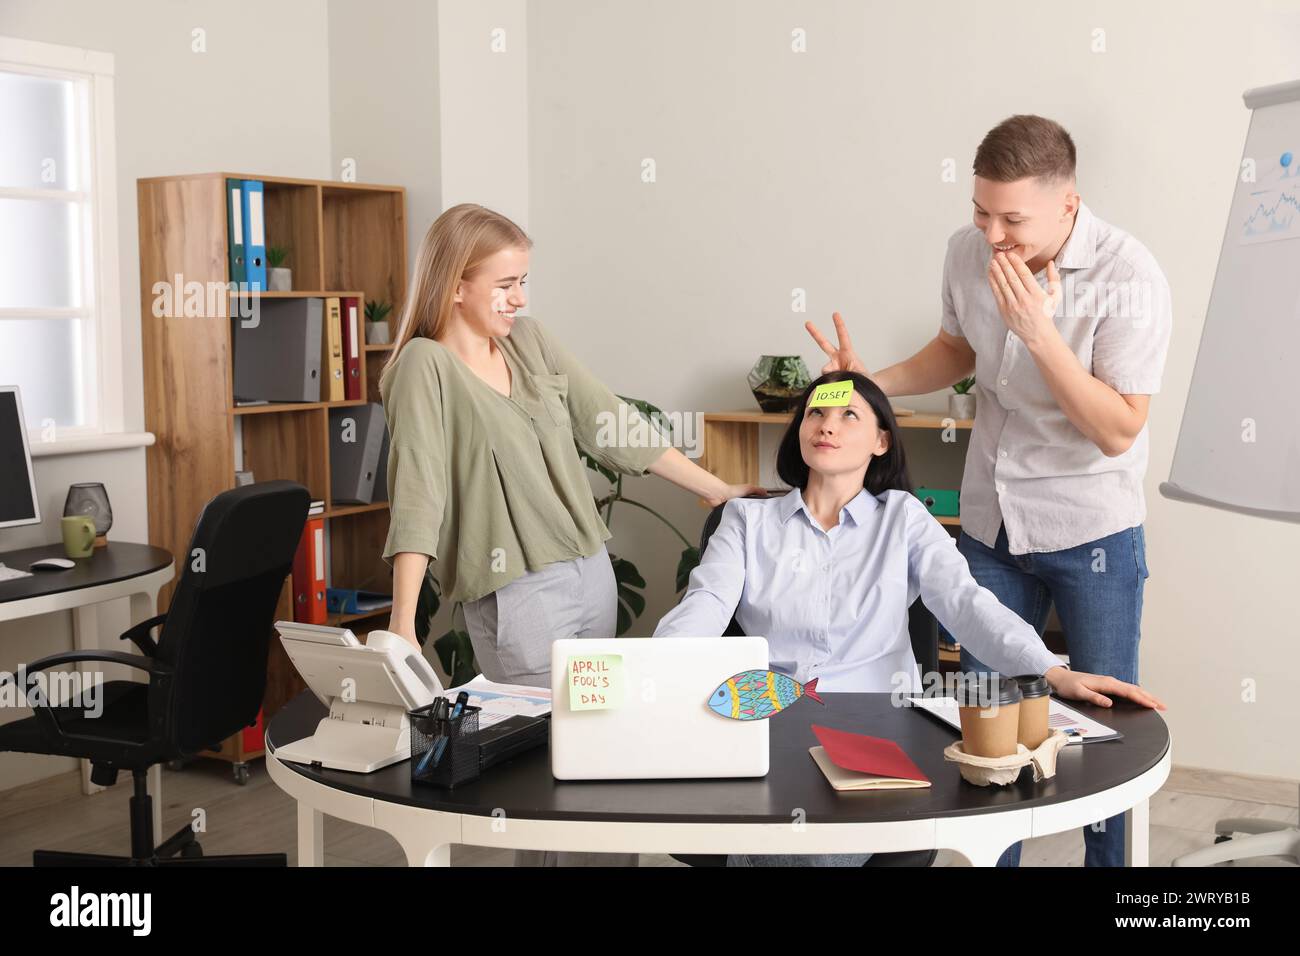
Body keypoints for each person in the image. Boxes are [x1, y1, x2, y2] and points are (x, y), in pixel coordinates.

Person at [807, 115, 1172, 867]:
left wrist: (1040, 333)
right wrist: (870, 383)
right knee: (982, 732)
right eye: (981, 211)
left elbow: (1118, 429)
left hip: (1090, 531)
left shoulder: (1128, 276)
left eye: (1013, 218)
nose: (993, 234)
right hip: (991, 523)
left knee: (1103, 729)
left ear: (1068, 203)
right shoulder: (967, 251)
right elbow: (956, 347)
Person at [379, 203, 764, 865]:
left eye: (524, 280)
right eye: (505, 284)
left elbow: (609, 421)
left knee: (598, 760)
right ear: (455, 286)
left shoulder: (528, 341)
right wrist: (404, 621)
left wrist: (713, 488)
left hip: (591, 573)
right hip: (520, 596)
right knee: (546, 780)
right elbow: (418, 494)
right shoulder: (425, 367)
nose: (519, 298)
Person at [654, 371, 1165, 867]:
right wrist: (650, 671)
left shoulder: (902, 517)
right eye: (816, 413)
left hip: (872, 728)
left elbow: (967, 603)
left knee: (813, 841)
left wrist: (1050, 671)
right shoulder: (747, 520)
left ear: (881, 440)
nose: (826, 425)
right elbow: (704, 606)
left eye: (848, 415)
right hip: (768, 724)